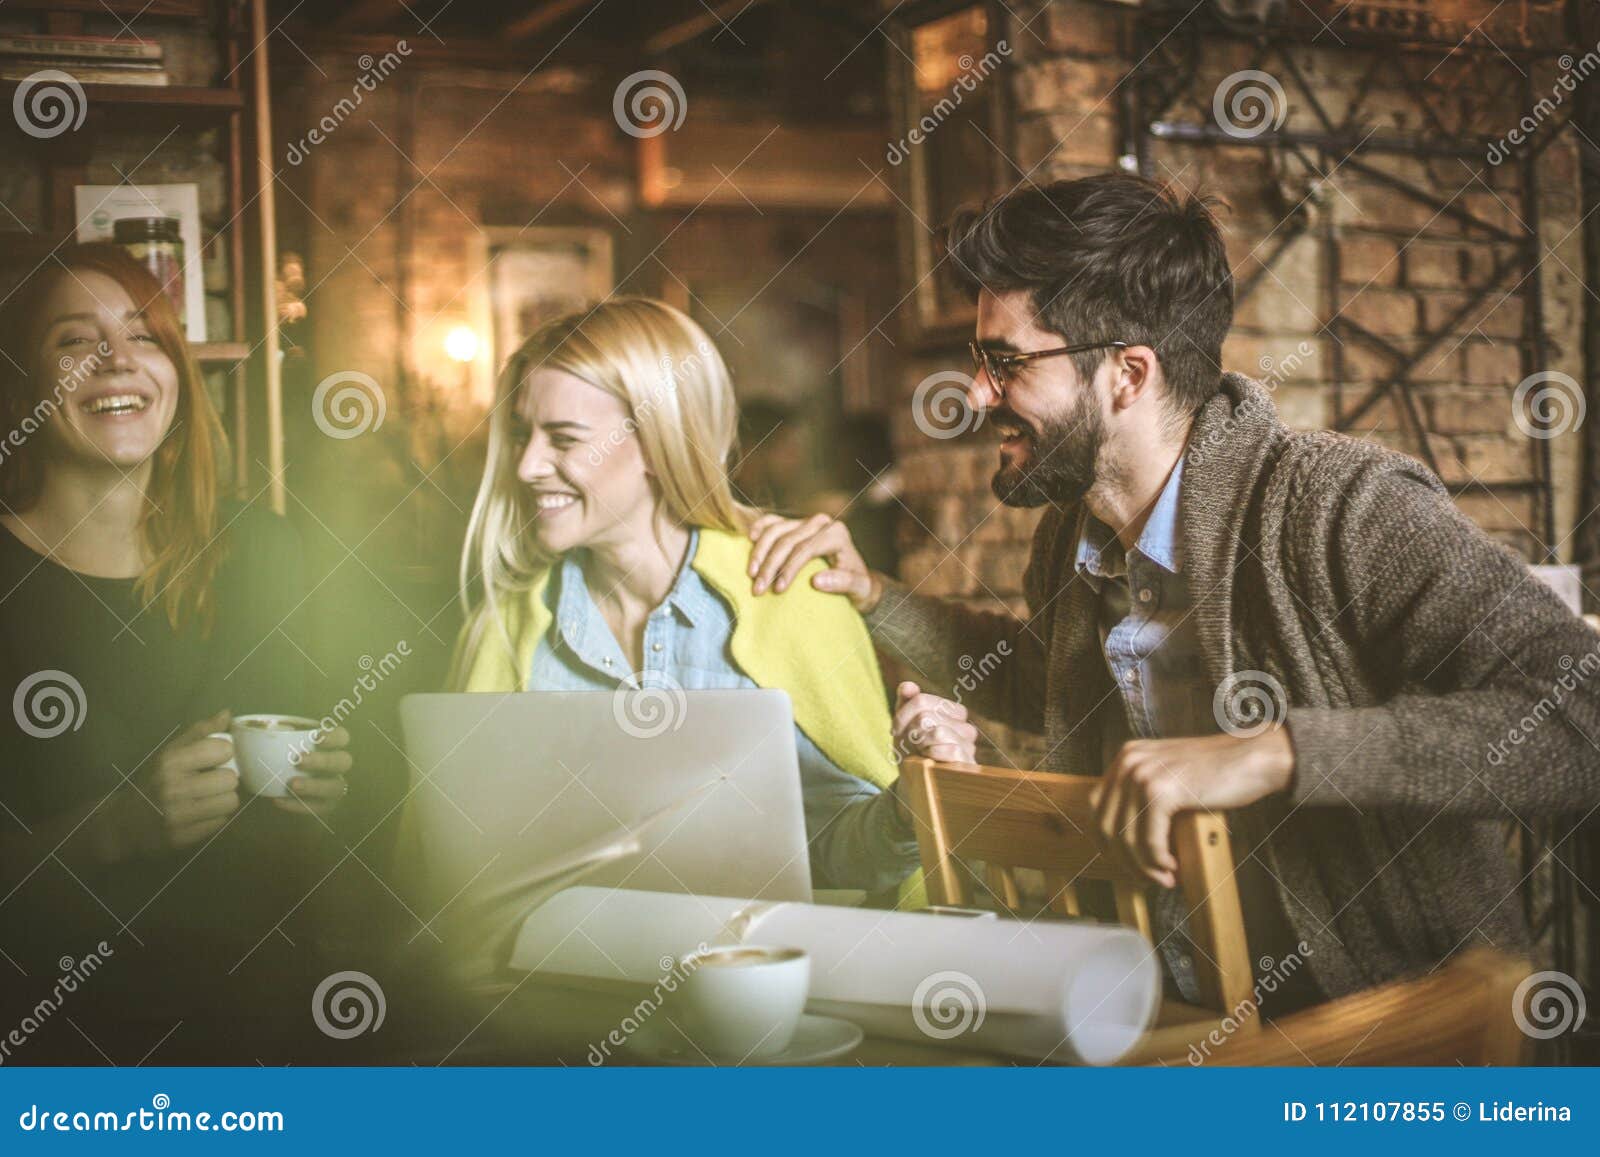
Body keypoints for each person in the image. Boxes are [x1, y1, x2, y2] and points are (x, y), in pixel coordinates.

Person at [746, 173, 1600, 1015]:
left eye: (1004, 362)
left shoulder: (1339, 504)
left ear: (1127, 372)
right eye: (980, 361)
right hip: (1173, 1022)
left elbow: (1579, 713)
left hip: (1396, 1043)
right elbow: (1038, 682)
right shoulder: (1070, 539)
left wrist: (1272, 752)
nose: (975, 394)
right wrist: (872, 593)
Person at [0, 245, 353, 1062]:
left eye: (143, 336)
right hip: (60, 1045)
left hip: (265, 1028)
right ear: (24, 384)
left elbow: (311, 810)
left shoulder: (262, 548)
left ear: (178, 379)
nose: (116, 359)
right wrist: (117, 828)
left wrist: (332, 780)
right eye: (73, 341)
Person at [443, 297, 919, 899]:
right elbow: (457, 867)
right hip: (553, 977)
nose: (528, 465)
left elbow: (855, 858)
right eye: (521, 435)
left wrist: (909, 812)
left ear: (657, 441)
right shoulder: (503, 630)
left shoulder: (793, 592)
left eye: (563, 438)